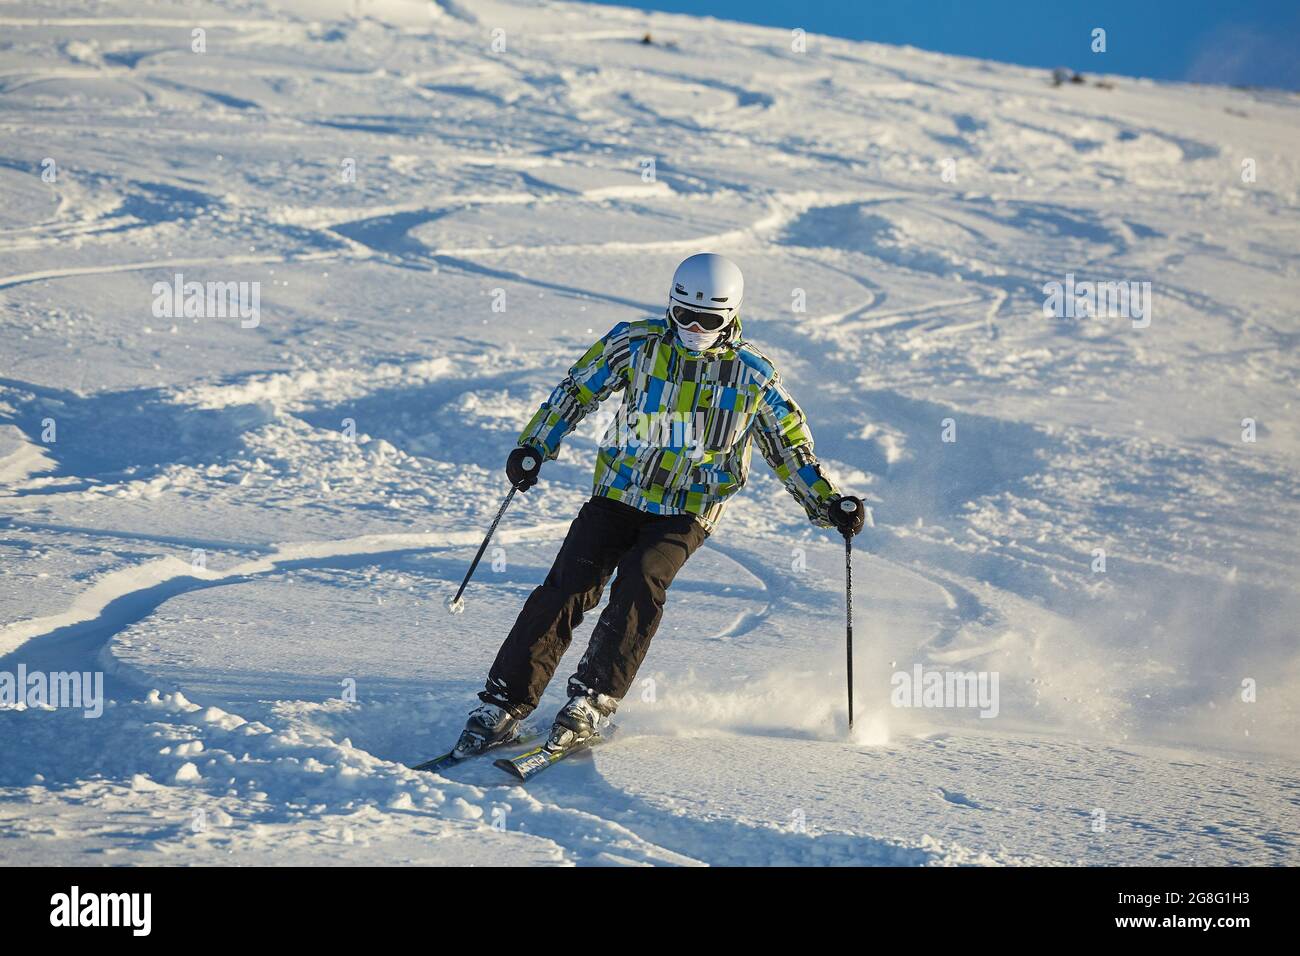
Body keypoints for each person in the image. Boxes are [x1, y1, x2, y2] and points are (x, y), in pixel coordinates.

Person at [456, 253, 868, 756]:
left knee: (641, 580)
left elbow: (788, 447)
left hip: (688, 507)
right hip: (619, 491)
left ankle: (594, 698)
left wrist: (829, 504)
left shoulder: (752, 375)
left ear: (731, 316)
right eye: (684, 316)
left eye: (709, 320)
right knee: (568, 586)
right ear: (669, 307)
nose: (695, 328)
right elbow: (575, 392)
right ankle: (505, 701)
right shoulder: (635, 343)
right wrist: (534, 445)